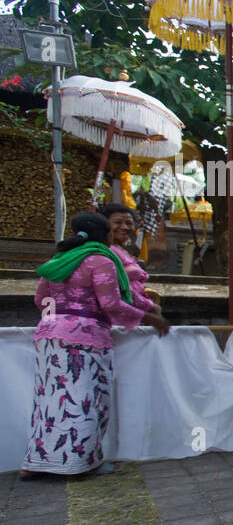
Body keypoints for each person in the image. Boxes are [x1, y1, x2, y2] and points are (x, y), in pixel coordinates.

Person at [23, 212, 164, 476]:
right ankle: (79, 465)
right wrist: (148, 316)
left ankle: (36, 464)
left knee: (49, 399)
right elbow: (111, 303)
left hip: (48, 334)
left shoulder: (58, 259)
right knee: (85, 398)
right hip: (84, 336)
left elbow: (41, 300)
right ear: (105, 234)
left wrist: (61, 315)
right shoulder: (99, 260)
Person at [100, 203, 170, 336]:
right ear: (105, 225)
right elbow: (119, 286)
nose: (125, 227)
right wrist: (149, 307)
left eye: (129, 223)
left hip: (135, 313)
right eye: (118, 222)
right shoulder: (107, 252)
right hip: (119, 319)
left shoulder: (123, 251)